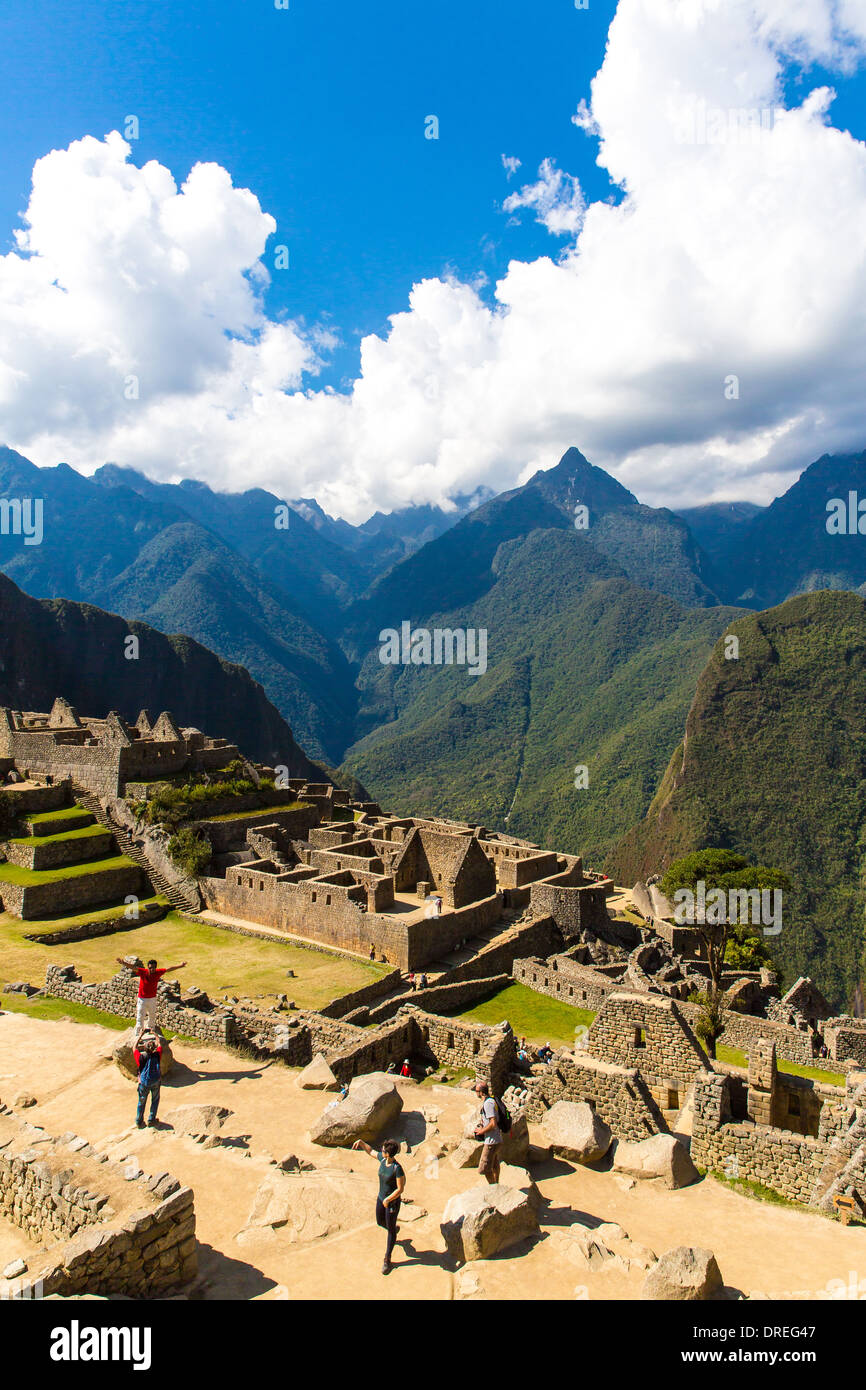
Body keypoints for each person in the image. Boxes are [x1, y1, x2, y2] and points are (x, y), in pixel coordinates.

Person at [352, 1138, 405, 1274]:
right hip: (381, 1198)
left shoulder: (397, 1169)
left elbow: (400, 1189)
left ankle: (387, 1259)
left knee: (390, 1230)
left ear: (389, 1154)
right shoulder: (382, 1159)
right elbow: (371, 1152)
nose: (381, 1151)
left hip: (391, 1202)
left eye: (384, 1150)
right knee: (380, 1221)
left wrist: (388, 1199)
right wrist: (362, 1143)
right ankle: (393, 1230)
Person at [120, 956, 187, 1039]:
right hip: (142, 999)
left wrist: (180, 965)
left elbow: (168, 969)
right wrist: (123, 963)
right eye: (151, 968)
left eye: (154, 968)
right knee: (140, 1015)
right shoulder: (143, 972)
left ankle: (151, 1028)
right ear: (148, 967)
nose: (152, 969)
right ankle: (138, 1032)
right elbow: (133, 967)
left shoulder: (157, 972)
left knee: (152, 1014)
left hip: (152, 998)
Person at [473, 1079, 502, 1184]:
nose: (476, 1093)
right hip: (496, 1139)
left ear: (481, 1092)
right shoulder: (490, 1101)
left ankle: (493, 1187)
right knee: (494, 1163)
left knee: (483, 1169)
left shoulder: (488, 1104)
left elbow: (493, 1123)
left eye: (476, 1091)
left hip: (491, 1141)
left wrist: (481, 1131)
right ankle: (496, 1184)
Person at [134, 1031, 162, 1129]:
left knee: (141, 1101)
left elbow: (134, 1048)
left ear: (145, 1048)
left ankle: (139, 1121)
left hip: (144, 1082)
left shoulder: (141, 1057)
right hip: (155, 1080)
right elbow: (159, 1043)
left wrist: (140, 1035)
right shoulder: (158, 1055)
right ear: (154, 1048)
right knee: (155, 1099)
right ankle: (151, 1119)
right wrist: (155, 1034)